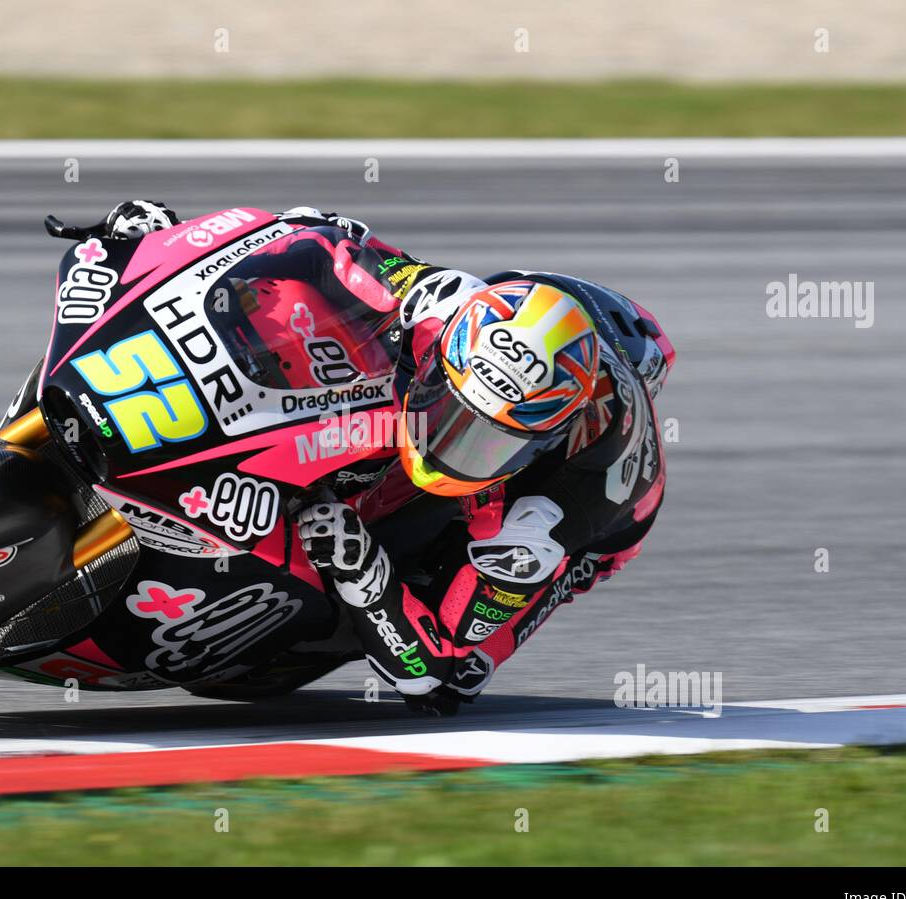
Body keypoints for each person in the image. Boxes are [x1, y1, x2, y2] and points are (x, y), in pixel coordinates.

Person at [100, 200, 675, 715]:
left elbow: (441, 676)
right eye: (448, 410)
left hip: (570, 527)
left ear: (541, 440)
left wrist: (365, 573)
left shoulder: (548, 513)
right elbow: (314, 235)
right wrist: (165, 246)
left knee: (458, 661)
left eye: (482, 440)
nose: (449, 441)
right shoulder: (446, 305)